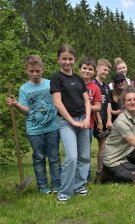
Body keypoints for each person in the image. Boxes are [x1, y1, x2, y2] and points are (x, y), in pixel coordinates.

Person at [6, 55, 61, 194]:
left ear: (42, 69)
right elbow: (26, 110)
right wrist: (16, 104)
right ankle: (43, 187)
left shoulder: (50, 84)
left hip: (52, 127)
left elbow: (58, 101)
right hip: (34, 131)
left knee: (54, 157)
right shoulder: (24, 89)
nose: (35, 74)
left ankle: (57, 186)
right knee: (39, 159)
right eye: (31, 71)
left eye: (37, 70)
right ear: (26, 71)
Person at [50, 44, 91, 202]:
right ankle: (64, 192)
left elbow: (87, 101)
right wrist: (72, 121)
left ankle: (79, 185)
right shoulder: (56, 78)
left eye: (70, 59)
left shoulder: (79, 78)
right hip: (67, 123)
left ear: (74, 60)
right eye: (64, 59)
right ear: (58, 59)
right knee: (72, 157)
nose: (67, 62)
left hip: (82, 121)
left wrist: (87, 118)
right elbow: (57, 103)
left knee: (85, 156)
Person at [79, 57, 102, 182]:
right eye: (84, 68)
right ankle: (75, 176)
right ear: (79, 69)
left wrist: (84, 107)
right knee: (73, 152)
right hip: (72, 122)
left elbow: (98, 107)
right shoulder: (74, 82)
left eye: (90, 69)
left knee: (85, 152)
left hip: (89, 124)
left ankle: (86, 178)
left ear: (94, 71)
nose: (87, 71)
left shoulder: (95, 87)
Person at [92, 59, 113, 176]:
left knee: (104, 145)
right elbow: (94, 105)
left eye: (108, 71)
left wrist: (109, 119)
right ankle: (100, 171)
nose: (106, 72)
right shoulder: (93, 84)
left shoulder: (106, 86)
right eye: (105, 69)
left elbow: (109, 104)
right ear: (98, 68)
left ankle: (103, 170)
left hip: (105, 119)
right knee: (103, 143)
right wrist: (98, 121)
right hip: (96, 120)